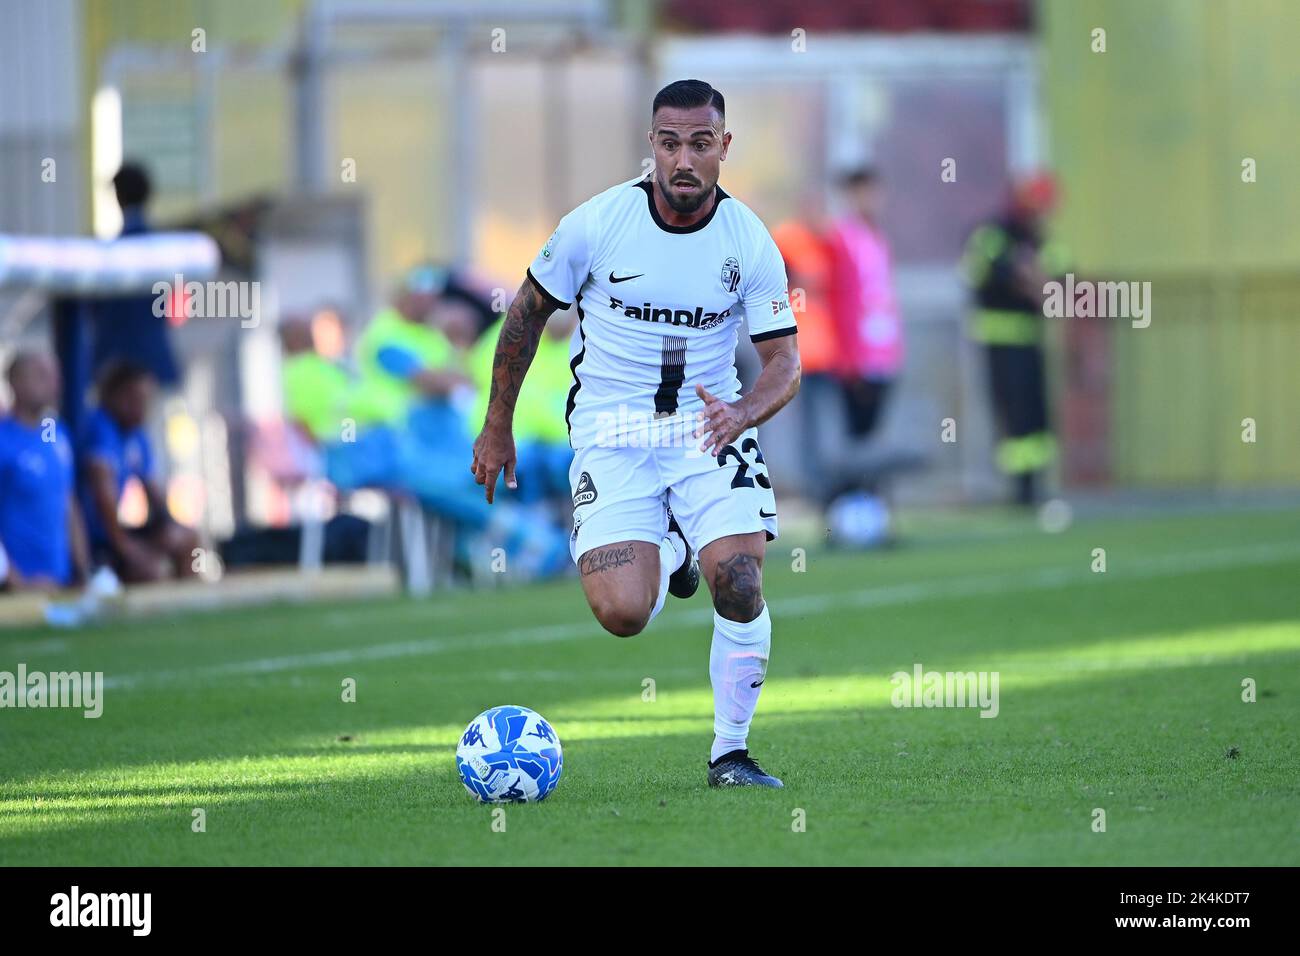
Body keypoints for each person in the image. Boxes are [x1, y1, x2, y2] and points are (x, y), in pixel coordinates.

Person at [472, 79, 801, 789]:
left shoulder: (748, 240)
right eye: (670, 142)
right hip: (611, 432)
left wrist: (744, 414)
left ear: (724, 147)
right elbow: (527, 314)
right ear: (651, 144)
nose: (684, 159)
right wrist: (497, 424)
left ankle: (730, 755)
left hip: (709, 427)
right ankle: (672, 552)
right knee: (622, 615)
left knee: (740, 583)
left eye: (701, 143)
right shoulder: (595, 223)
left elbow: (784, 361)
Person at [962, 172, 1069, 505]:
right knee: (1013, 413)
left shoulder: (1038, 238)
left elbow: (1062, 277)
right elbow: (980, 274)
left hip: (1031, 338)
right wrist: (1020, 276)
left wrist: (1043, 280)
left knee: (1036, 411)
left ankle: (1035, 484)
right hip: (1000, 339)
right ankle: (1019, 488)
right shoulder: (994, 234)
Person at [79, 361, 198, 582]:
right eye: (134, 400)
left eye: (146, 401)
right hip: (96, 539)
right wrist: (127, 548)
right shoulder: (99, 427)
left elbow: (154, 492)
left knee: (187, 539)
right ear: (113, 396)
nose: (142, 408)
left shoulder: (137, 435)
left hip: (121, 531)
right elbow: (102, 496)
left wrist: (167, 526)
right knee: (151, 570)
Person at [0, 352, 88, 591]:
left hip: (60, 581)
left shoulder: (57, 435)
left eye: (55, 376)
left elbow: (67, 502)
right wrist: (12, 579)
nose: (53, 383)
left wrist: (82, 570)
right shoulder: (3, 439)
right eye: (42, 375)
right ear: (16, 383)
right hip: (17, 588)